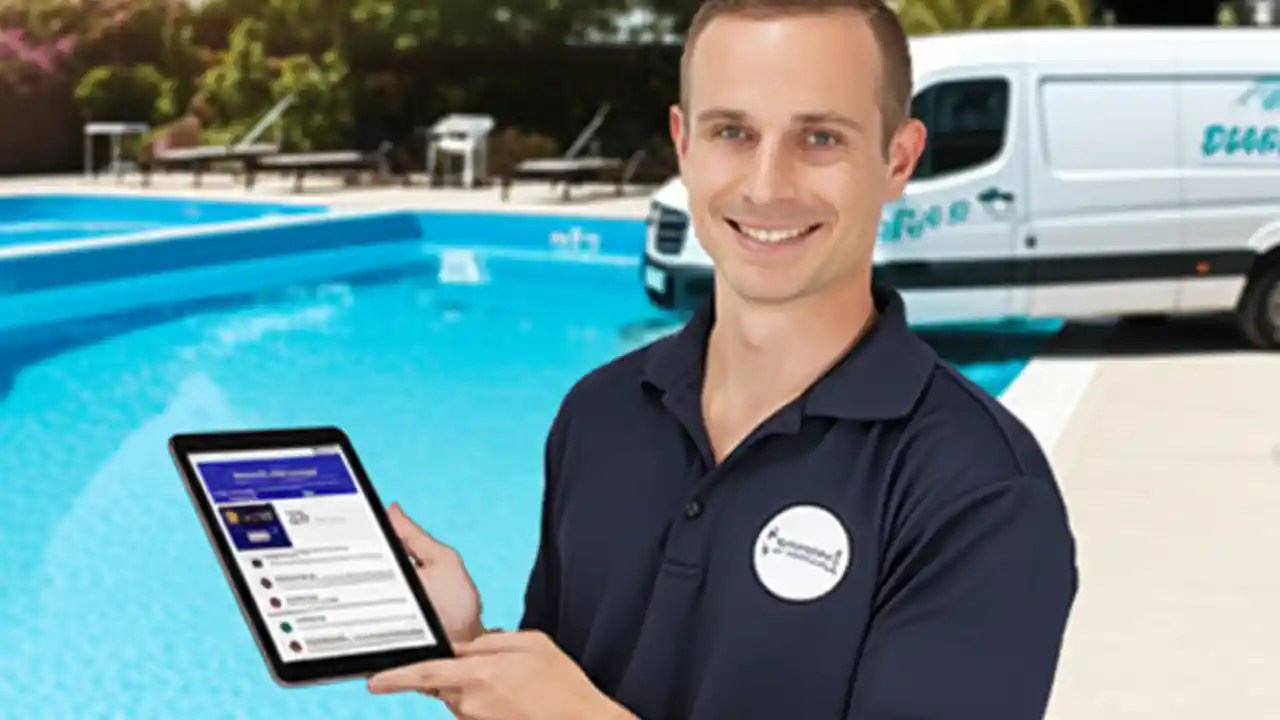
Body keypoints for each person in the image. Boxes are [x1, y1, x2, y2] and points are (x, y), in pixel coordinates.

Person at [368, 0, 1079, 717]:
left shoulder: (979, 490)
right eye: (733, 132)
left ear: (897, 159)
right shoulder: (600, 414)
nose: (767, 187)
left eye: (820, 137)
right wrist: (469, 653)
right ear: (684, 145)